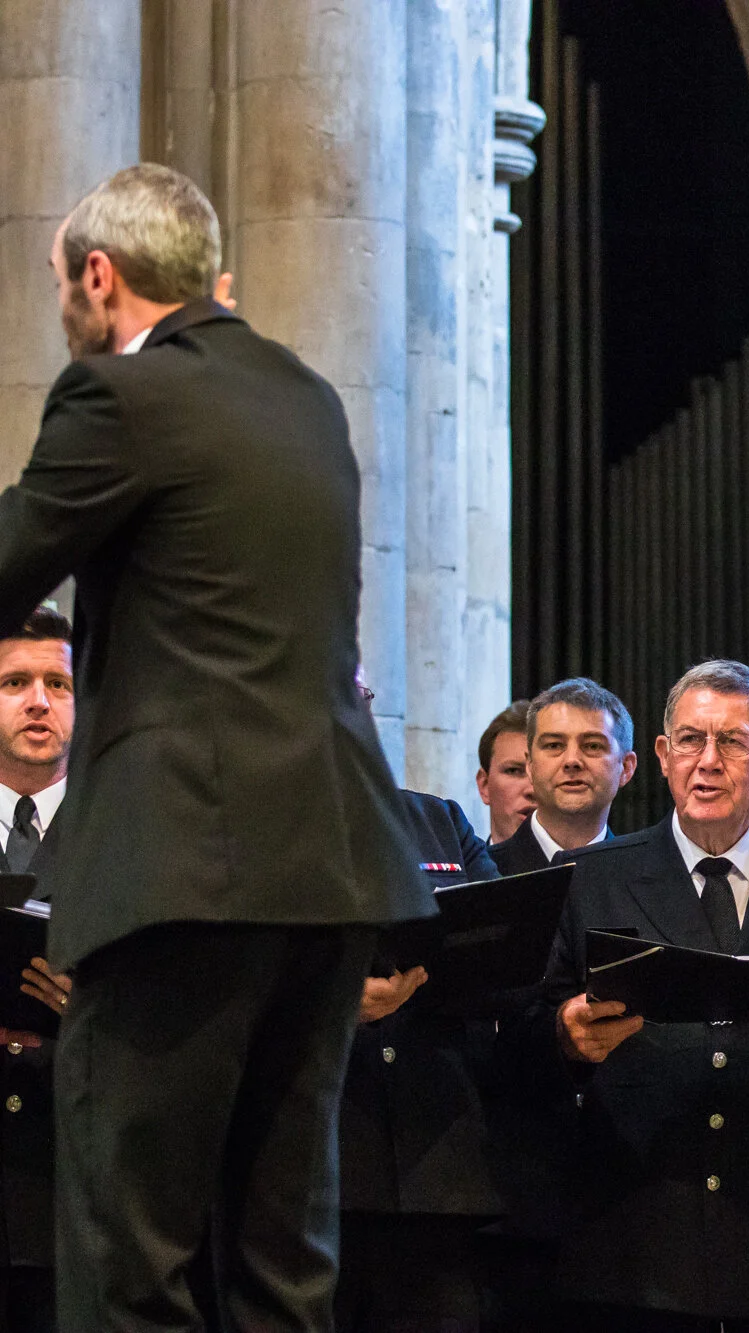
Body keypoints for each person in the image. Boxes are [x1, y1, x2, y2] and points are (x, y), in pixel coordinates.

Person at [0, 163, 431, 1329]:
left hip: (186, 871)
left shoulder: (121, 397)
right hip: (328, 870)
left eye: (62, 289)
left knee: (133, 1255)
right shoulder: (305, 398)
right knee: (280, 1256)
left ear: (100, 276)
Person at [513, 659, 749, 1330]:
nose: (707, 761)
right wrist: (564, 1037)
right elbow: (519, 1045)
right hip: (635, 1251)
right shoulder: (590, 881)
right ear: (662, 756)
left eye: (730, 741)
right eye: (690, 739)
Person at [336, 787, 503, 1332]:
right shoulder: (249, 819)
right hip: (316, 1169)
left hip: (436, 1171)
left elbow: (509, 936)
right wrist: (326, 1002)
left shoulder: (437, 818)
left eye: (357, 696)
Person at [0, 608, 75, 1333]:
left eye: (58, 682)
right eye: (15, 681)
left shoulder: (135, 830)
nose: (39, 700)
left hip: (77, 1186)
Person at [488, 678, 636, 876]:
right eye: (554, 745)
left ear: (626, 767)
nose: (572, 761)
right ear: (530, 765)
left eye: (592, 746)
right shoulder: (479, 874)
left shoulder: (652, 881)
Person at [476, 700, 536, 845]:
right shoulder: (465, 867)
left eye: (541, 773)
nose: (532, 790)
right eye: (514, 771)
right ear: (484, 786)